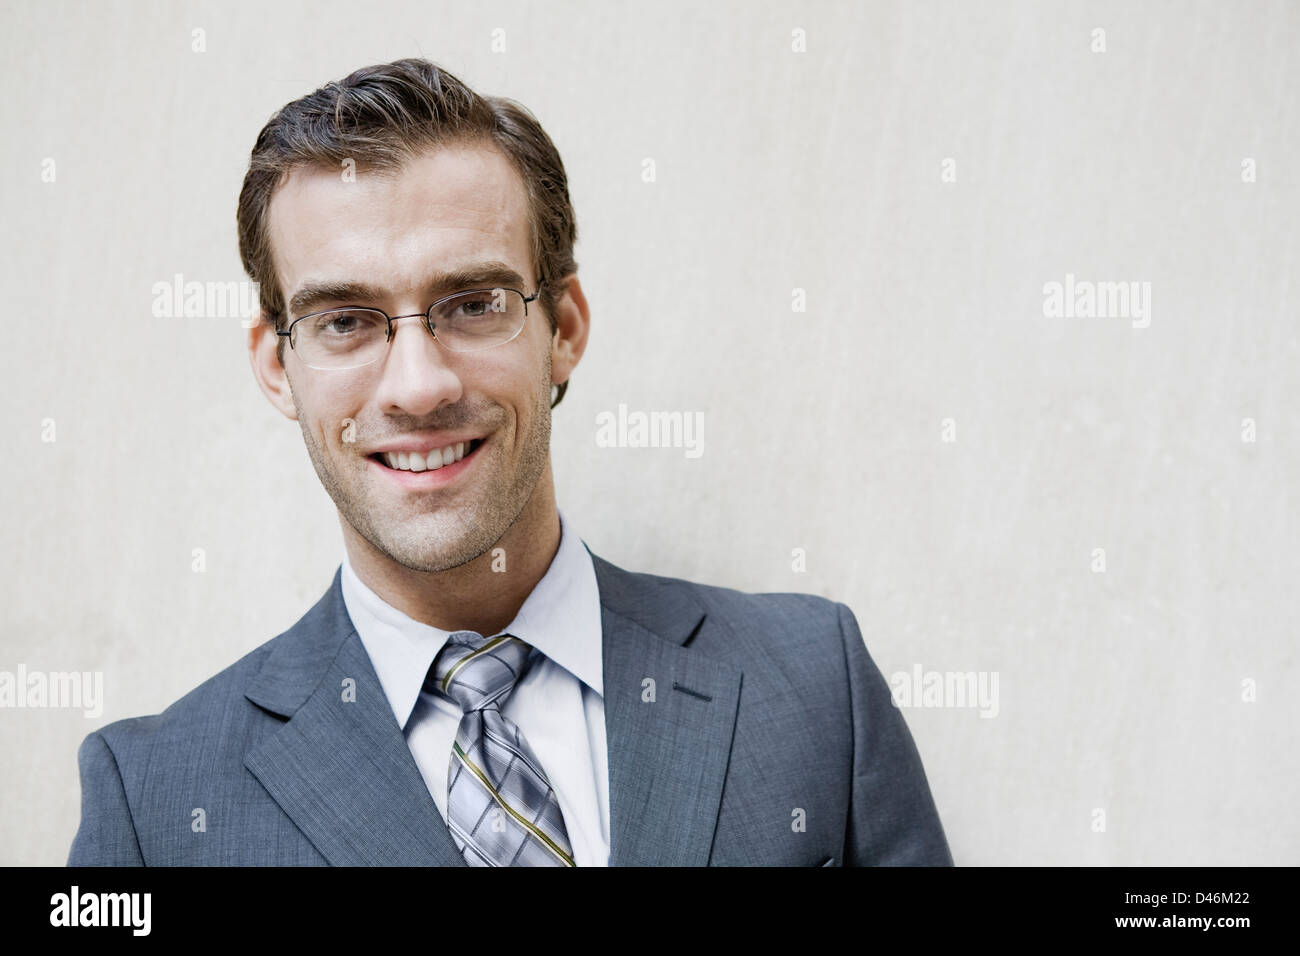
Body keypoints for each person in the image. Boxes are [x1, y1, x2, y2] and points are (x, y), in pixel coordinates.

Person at [68, 58, 952, 867]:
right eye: (344, 320)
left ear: (562, 329)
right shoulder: (152, 805)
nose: (417, 387)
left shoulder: (813, 686)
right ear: (277, 366)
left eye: (473, 303)